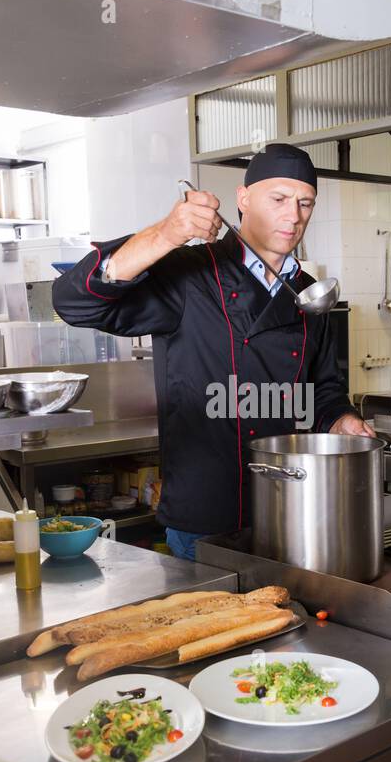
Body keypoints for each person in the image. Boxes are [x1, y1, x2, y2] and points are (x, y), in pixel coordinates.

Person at [52, 144, 373, 560]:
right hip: (204, 516)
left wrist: (341, 420)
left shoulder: (309, 291)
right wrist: (165, 234)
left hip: (289, 508)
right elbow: (76, 303)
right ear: (243, 199)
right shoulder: (191, 274)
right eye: (278, 199)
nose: (293, 216)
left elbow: (323, 389)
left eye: (304, 203)